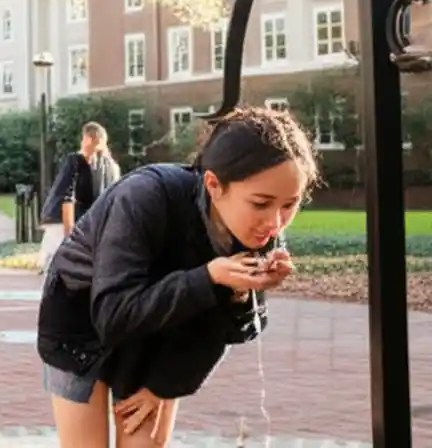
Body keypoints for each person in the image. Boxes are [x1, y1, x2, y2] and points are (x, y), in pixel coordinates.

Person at [37, 106, 313, 448]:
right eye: (261, 203)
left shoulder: (260, 228)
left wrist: (240, 293)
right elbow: (114, 314)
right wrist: (210, 278)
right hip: (82, 327)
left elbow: (228, 330)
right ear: (214, 184)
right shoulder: (144, 196)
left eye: (291, 204)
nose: (275, 223)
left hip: (161, 332)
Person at [38, 122, 105, 273]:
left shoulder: (81, 164)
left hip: (63, 222)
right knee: (64, 268)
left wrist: (70, 236)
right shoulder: (83, 163)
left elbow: (70, 198)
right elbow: (69, 198)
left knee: (57, 269)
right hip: (68, 223)